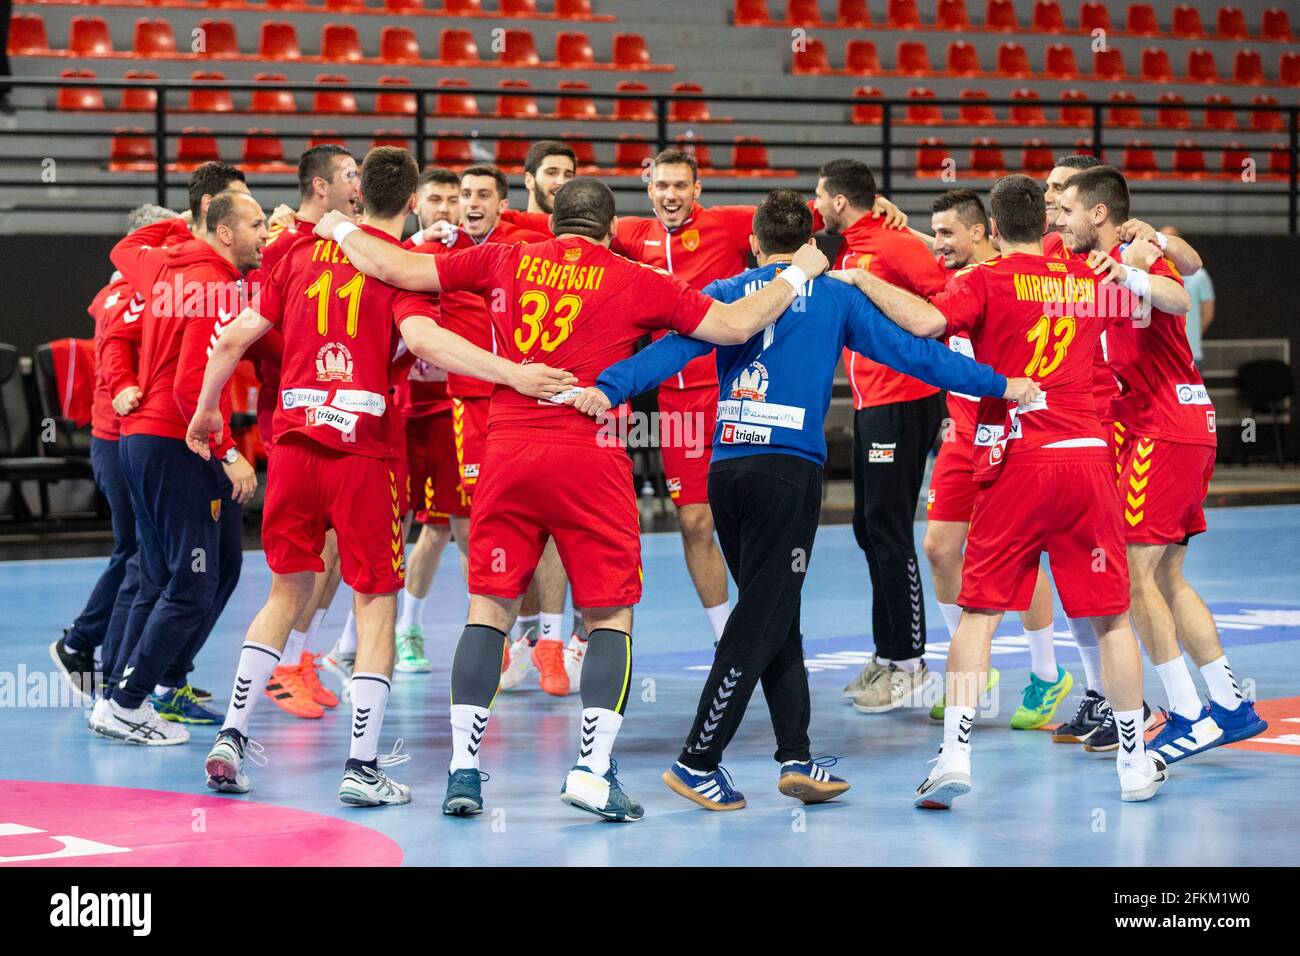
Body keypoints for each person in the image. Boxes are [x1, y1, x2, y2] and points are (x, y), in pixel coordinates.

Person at [314, 176, 832, 821]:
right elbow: (733, 326)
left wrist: (335, 226)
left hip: (508, 450)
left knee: (489, 610)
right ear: (611, 230)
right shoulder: (633, 276)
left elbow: (394, 265)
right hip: (590, 454)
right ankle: (591, 773)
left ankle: (464, 773)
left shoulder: (502, 255)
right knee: (611, 615)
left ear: (552, 221)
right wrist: (799, 273)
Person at [572, 190, 1031, 810]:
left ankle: (796, 757)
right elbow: (918, 356)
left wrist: (607, 386)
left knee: (776, 613)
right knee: (763, 614)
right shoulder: (836, 295)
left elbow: (669, 350)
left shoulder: (731, 290)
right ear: (810, 246)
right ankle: (698, 760)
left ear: (756, 243)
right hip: (787, 471)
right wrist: (1001, 384)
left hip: (727, 470)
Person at [188, 146, 576, 804]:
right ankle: (362, 769)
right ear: (413, 199)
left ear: (356, 195)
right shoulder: (405, 272)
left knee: (285, 593)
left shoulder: (293, 253)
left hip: (293, 446)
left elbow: (232, 339)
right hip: (364, 452)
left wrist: (204, 418)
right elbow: (425, 344)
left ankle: (232, 734)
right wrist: (514, 373)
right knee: (375, 604)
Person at [838, 173, 1169, 805]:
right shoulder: (1085, 275)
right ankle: (1133, 764)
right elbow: (1156, 296)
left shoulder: (982, 281)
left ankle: (955, 758)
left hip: (1017, 461)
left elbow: (927, 324)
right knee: (1112, 621)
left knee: (980, 613)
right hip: (1089, 462)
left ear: (992, 225)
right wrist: (1147, 241)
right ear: (1043, 222)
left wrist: (863, 280)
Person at [1057, 167, 1267, 761]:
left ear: (1097, 213)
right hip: (1171, 426)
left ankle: (1189, 715)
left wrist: (1136, 265)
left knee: (1127, 575)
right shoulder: (1079, 256)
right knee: (1168, 578)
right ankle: (1230, 705)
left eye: (1065, 204)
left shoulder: (1135, 251)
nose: (1057, 214)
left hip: (1162, 428)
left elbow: (1178, 291)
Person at [95, 190, 266, 745]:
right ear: (223, 233)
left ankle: (122, 697)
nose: (265, 232)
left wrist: (176, 228)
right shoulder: (216, 286)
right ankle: (127, 704)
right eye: (257, 223)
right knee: (192, 583)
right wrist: (231, 455)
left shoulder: (167, 266)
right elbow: (194, 386)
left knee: (170, 576)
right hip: (175, 442)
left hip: (140, 442)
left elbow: (126, 245)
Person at [916, 189, 1072, 729]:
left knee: (1023, 556)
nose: (937, 244)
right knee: (938, 548)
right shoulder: (957, 278)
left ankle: (1047, 673)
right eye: (931, 234)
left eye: (945, 234)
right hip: (963, 435)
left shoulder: (1019, 275)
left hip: (1015, 434)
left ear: (983, 231)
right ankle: (972, 670)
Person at [815, 159, 951, 713]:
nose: (814, 205)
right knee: (867, 527)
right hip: (873, 403)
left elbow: (946, 301)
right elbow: (804, 216)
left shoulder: (891, 244)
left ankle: (910, 662)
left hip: (906, 401)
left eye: (820, 196)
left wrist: (912, 355)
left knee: (889, 529)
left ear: (840, 202)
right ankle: (887, 653)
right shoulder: (851, 236)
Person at [49, 204, 175, 708]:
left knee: (138, 554)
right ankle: (93, 655)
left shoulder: (135, 291)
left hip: (123, 439)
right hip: (118, 439)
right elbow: (116, 358)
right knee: (138, 556)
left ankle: (113, 662)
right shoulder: (126, 295)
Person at [1161, 226, 1214, 368]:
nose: (1164, 245)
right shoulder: (1154, 272)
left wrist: (1189, 337)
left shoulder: (1200, 275)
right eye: (1161, 239)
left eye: (1169, 240)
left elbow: (1208, 313)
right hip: (1163, 353)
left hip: (1191, 352)